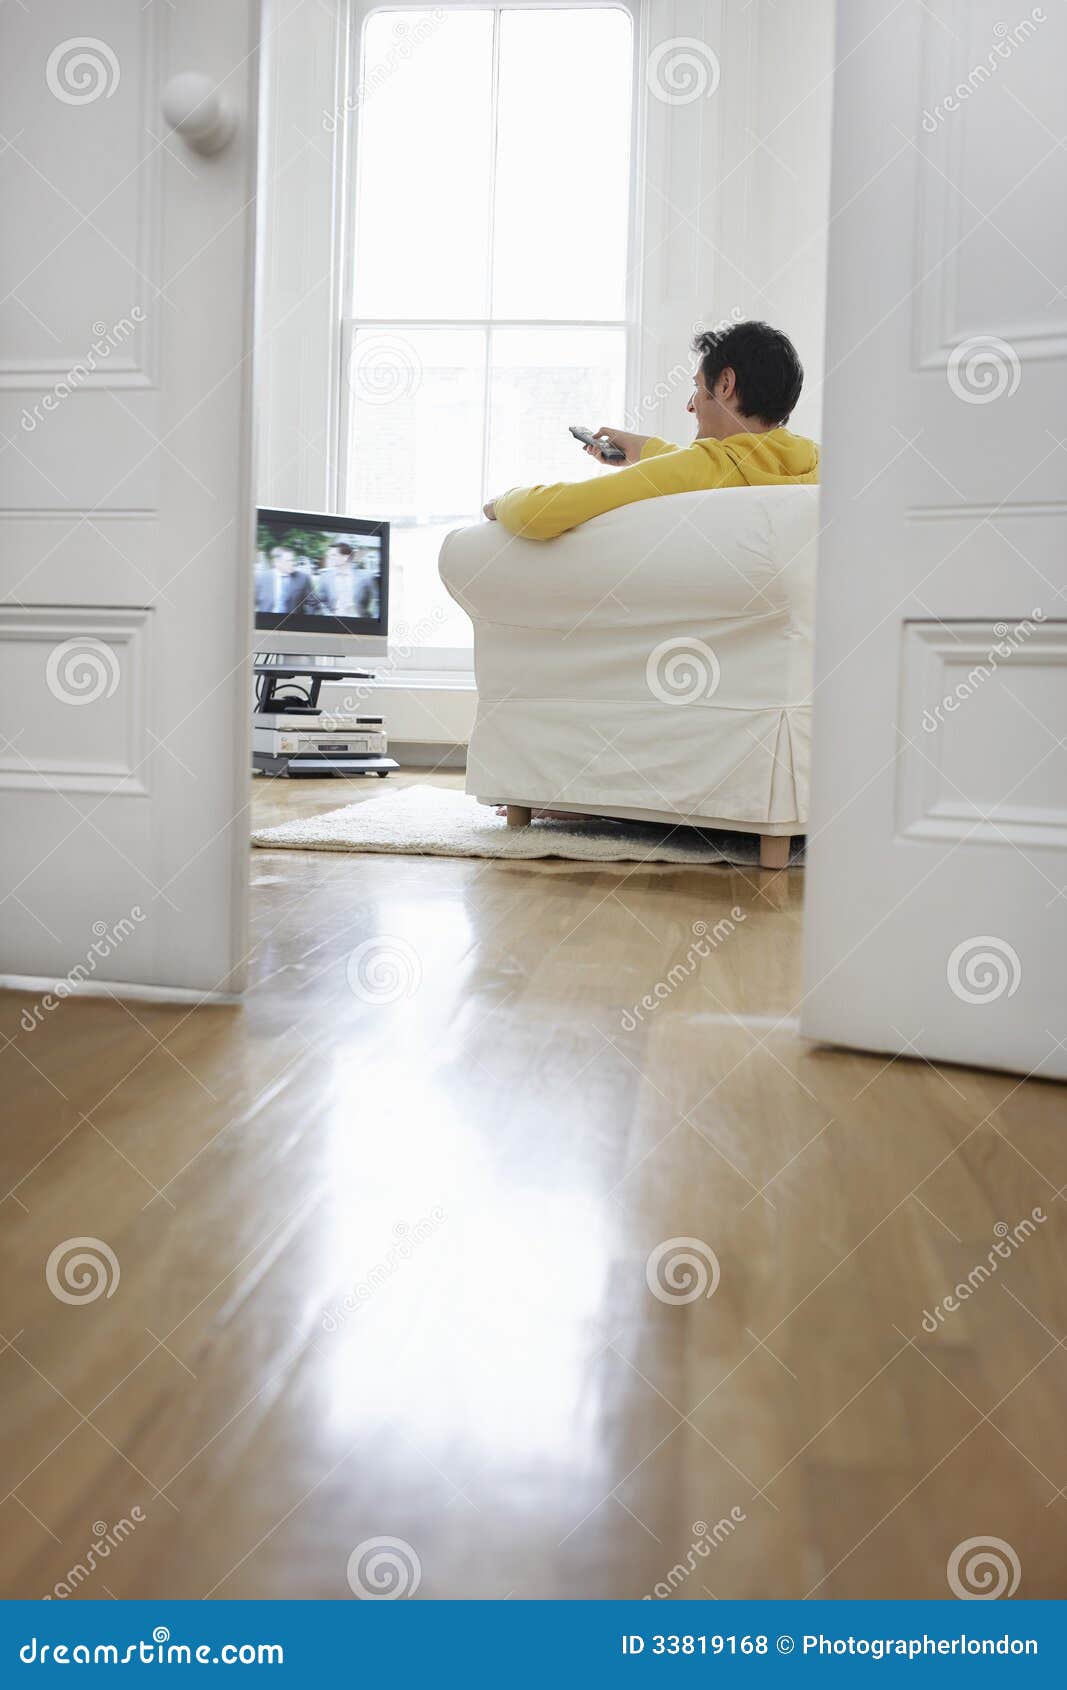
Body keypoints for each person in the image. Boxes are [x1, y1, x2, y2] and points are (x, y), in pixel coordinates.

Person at [482, 320, 819, 542]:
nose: (691, 406)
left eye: (698, 388)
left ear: (726, 384)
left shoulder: (701, 469)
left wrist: (503, 501)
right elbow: (720, 468)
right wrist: (641, 449)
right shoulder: (816, 463)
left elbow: (541, 513)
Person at [317, 542, 379, 619]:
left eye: (333, 555)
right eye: (329, 556)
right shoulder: (325, 577)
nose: (329, 558)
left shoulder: (366, 577)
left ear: (345, 557)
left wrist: (376, 620)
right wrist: (328, 616)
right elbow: (321, 602)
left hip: (360, 623)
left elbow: (379, 600)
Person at [254, 544, 321, 615]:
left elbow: (313, 602)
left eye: (293, 560)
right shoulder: (262, 577)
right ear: (277, 562)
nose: (293, 563)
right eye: (289, 561)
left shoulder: (303, 578)